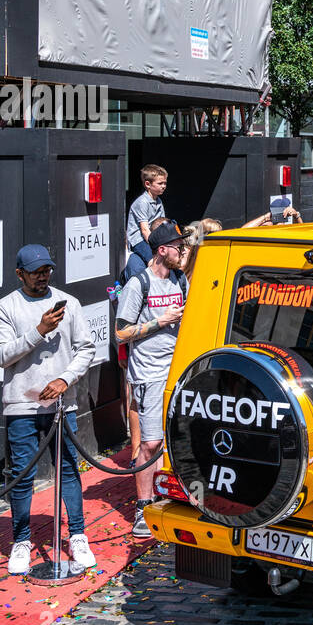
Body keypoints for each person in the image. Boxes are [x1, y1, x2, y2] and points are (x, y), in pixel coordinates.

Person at [0, 245, 97, 575]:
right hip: (21, 404)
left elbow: (86, 348)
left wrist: (66, 379)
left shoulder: (71, 303)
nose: (43, 276)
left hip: (62, 405)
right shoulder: (5, 307)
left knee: (68, 471)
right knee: (22, 476)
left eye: (47, 269)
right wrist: (39, 331)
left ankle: (77, 535)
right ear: (20, 273)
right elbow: (2, 356)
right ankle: (21, 540)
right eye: (35, 271)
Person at [116, 220, 190, 537]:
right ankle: (142, 508)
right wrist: (161, 321)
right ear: (162, 250)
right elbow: (121, 333)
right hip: (148, 373)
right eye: (178, 246)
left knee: (171, 441)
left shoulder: (180, 280)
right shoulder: (139, 284)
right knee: (149, 443)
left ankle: (165, 499)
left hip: (177, 371)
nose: (183, 250)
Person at [126, 163, 168, 266]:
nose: (163, 186)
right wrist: (156, 245)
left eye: (165, 183)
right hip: (138, 240)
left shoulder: (159, 201)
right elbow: (144, 230)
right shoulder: (142, 202)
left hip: (152, 238)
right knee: (154, 262)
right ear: (148, 184)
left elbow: (161, 223)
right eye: (160, 183)